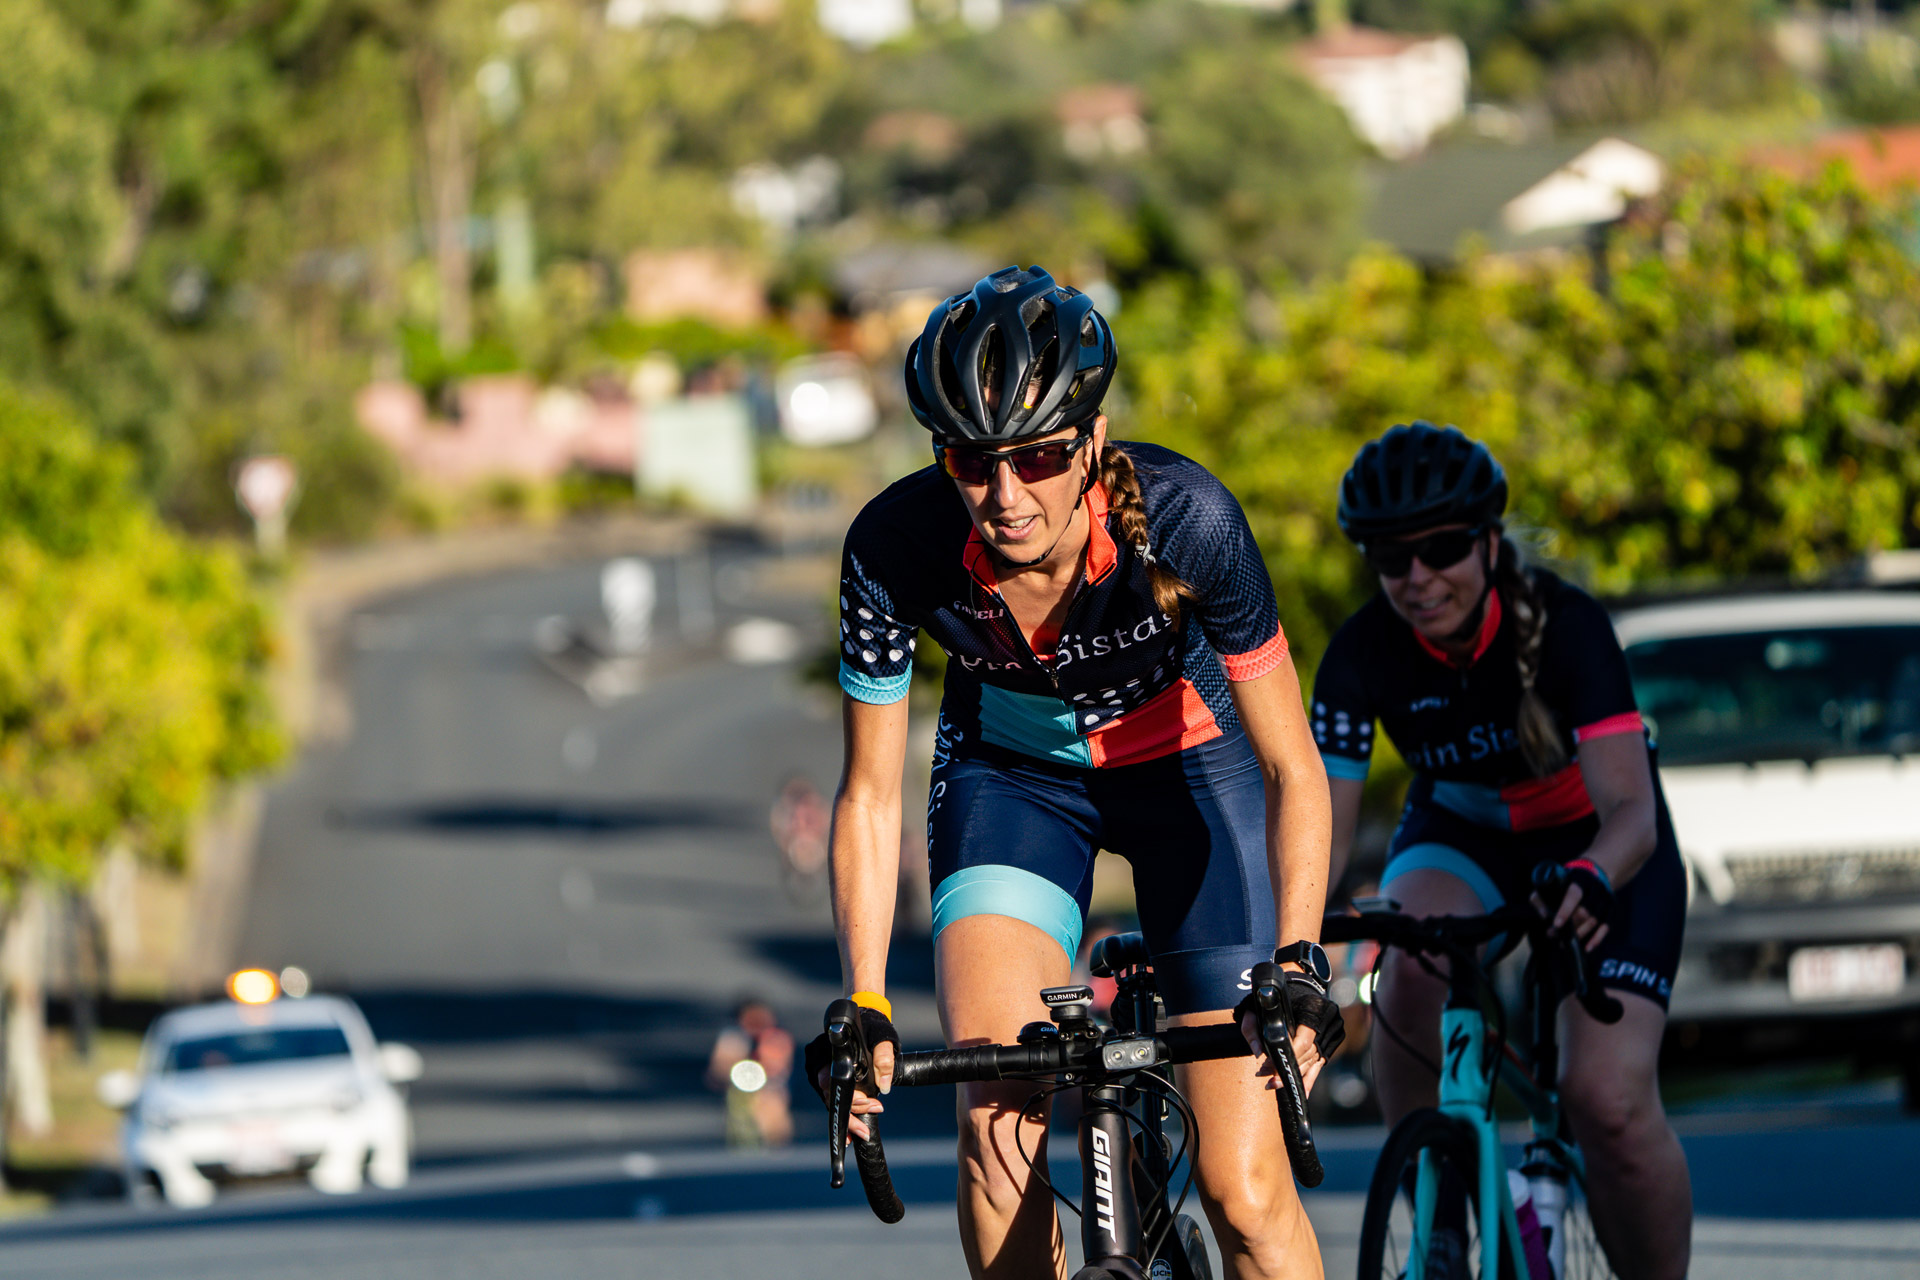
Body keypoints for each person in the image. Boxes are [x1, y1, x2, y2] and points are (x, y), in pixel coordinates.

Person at [811, 266, 1342, 1280]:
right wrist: (865, 1001)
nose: (1007, 496)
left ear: (1092, 441)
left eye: (1041, 456)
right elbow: (870, 794)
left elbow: (1291, 764)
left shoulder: (1193, 517)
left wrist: (1301, 959)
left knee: (1246, 1189)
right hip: (1015, 785)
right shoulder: (893, 545)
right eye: (972, 462)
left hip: (1194, 773)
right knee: (997, 1135)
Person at [1314, 422, 1692, 1279]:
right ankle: (1444, 1209)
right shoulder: (1361, 654)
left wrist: (1594, 875)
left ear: (1488, 541)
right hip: (1465, 835)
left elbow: (1633, 810)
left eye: (1441, 548)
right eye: (1389, 558)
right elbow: (1322, 834)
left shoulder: (1569, 628)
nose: (1416, 578)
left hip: (1601, 844)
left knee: (1608, 1103)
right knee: (1409, 972)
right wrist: (1296, 932)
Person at [708, 999, 796, 1148]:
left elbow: (780, 1065)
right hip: (741, 1091)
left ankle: (776, 1147)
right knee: (743, 1131)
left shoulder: (775, 1038)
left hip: (771, 1089)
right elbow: (718, 1067)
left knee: (773, 1122)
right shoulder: (733, 1038)